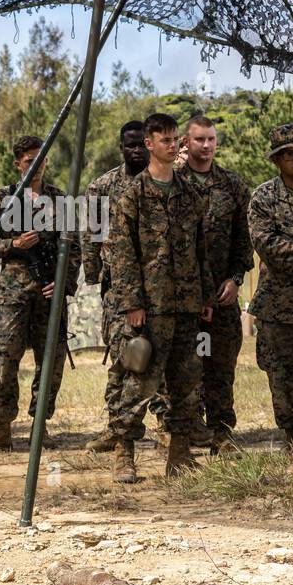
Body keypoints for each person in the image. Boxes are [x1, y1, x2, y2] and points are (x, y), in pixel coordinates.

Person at [103, 113, 214, 483]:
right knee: (139, 378)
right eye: (163, 140)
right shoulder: (132, 195)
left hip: (186, 305)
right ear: (149, 144)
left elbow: (202, 250)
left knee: (187, 381)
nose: (172, 145)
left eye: (174, 139)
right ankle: (124, 452)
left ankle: (179, 455)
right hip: (149, 307)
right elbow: (121, 254)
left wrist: (205, 296)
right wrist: (132, 303)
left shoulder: (189, 194)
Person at [0, 136, 80, 449]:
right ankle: (2, 427)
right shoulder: (0, 199)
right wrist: (12, 245)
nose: (36, 165)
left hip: (50, 293)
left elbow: (74, 250)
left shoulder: (60, 200)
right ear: (17, 162)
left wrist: (64, 284)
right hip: (13, 292)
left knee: (51, 360)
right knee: (5, 357)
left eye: (41, 159)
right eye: (29, 159)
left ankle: (39, 426)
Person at [177, 115, 252, 452]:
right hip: (184, 299)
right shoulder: (172, 183)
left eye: (210, 139)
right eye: (199, 140)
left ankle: (222, 432)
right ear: (185, 142)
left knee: (220, 365)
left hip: (222, 296)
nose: (205, 146)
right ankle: (181, 432)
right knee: (185, 367)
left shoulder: (232, 186)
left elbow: (243, 242)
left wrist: (236, 280)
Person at [248, 124, 293, 450]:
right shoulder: (263, 198)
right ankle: (292, 435)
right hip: (279, 301)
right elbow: (268, 245)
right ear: (277, 160)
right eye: (289, 154)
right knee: (282, 371)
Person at [83, 121, 150, 453]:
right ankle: (117, 428)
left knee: (159, 360)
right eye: (130, 145)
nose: (136, 150)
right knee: (126, 357)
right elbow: (91, 236)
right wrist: (93, 276)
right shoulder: (102, 187)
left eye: (141, 144)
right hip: (119, 288)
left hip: (159, 285)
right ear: (120, 147)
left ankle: (168, 428)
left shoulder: (163, 182)